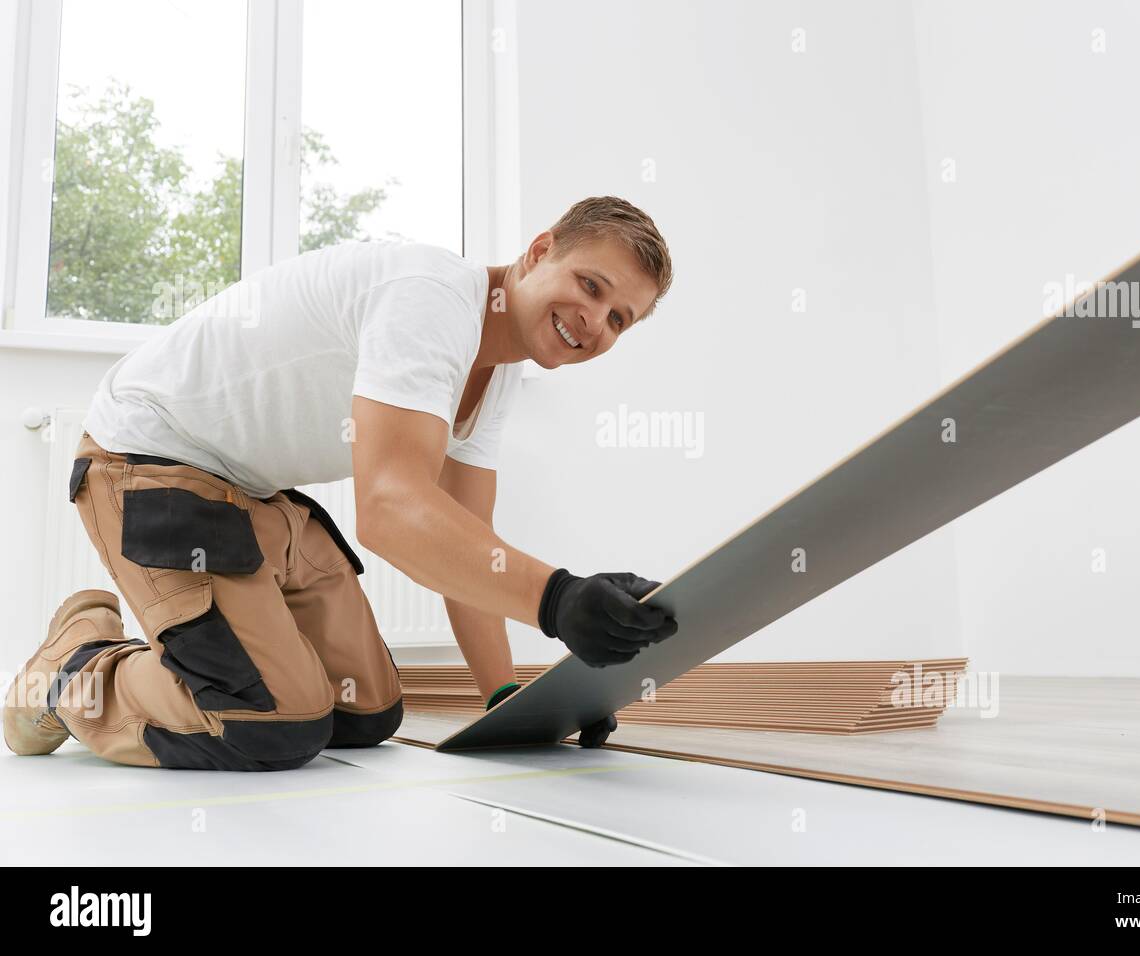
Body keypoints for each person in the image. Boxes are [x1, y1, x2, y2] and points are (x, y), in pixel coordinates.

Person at [3, 196, 679, 770]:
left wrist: (509, 700)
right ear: (539, 251)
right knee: (269, 722)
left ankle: (190, 652)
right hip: (146, 463)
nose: (596, 320)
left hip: (251, 501)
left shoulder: (496, 373)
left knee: (366, 709)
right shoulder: (435, 297)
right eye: (592, 286)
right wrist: (559, 600)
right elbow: (388, 510)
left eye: (619, 317)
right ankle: (77, 667)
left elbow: (470, 547)